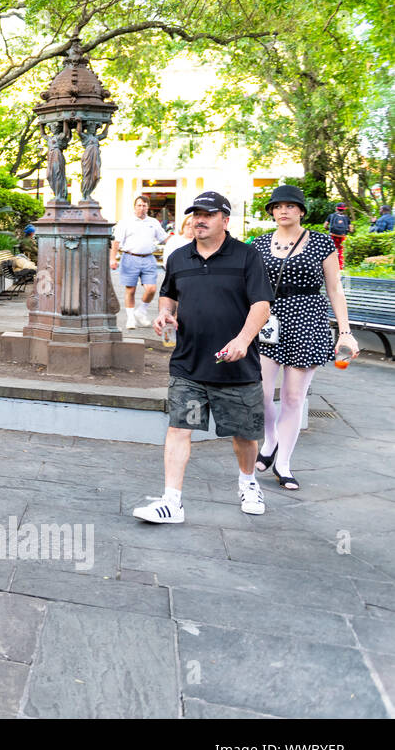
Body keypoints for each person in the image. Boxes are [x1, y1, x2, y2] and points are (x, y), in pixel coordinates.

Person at [132, 192, 274, 523]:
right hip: (189, 363)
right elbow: (168, 294)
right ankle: (172, 502)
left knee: (244, 435)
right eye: (196, 214)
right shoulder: (179, 257)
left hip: (236, 365)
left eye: (208, 214)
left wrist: (243, 340)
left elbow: (262, 305)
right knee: (179, 428)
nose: (200, 219)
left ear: (225, 220)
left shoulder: (246, 256)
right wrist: (165, 313)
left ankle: (248, 482)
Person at [251, 186, 358, 491]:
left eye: (290, 206)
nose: (283, 210)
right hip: (270, 322)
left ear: (300, 211)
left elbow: (335, 289)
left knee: (293, 397)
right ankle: (270, 439)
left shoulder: (321, 243)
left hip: (308, 321)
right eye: (277, 206)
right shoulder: (259, 244)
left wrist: (345, 332)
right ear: (272, 212)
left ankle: (283, 462)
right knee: (260, 392)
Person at [111, 195, 170, 329]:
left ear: (148, 207)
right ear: (134, 207)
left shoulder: (153, 222)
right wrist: (112, 258)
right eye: (139, 205)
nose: (141, 208)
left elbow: (165, 238)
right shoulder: (126, 222)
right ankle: (131, 318)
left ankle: (141, 311)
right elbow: (116, 242)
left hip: (148, 258)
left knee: (151, 289)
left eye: (144, 205)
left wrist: (181, 243)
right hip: (130, 257)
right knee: (130, 290)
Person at [325, 203, 351, 268]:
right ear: (344, 210)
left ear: (336, 208)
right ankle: (340, 266)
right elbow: (350, 229)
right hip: (342, 236)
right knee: (341, 250)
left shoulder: (331, 216)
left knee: (331, 250)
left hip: (333, 235)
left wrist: (328, 229)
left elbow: (325, 226)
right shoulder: (346, 217)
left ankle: (331, 265)